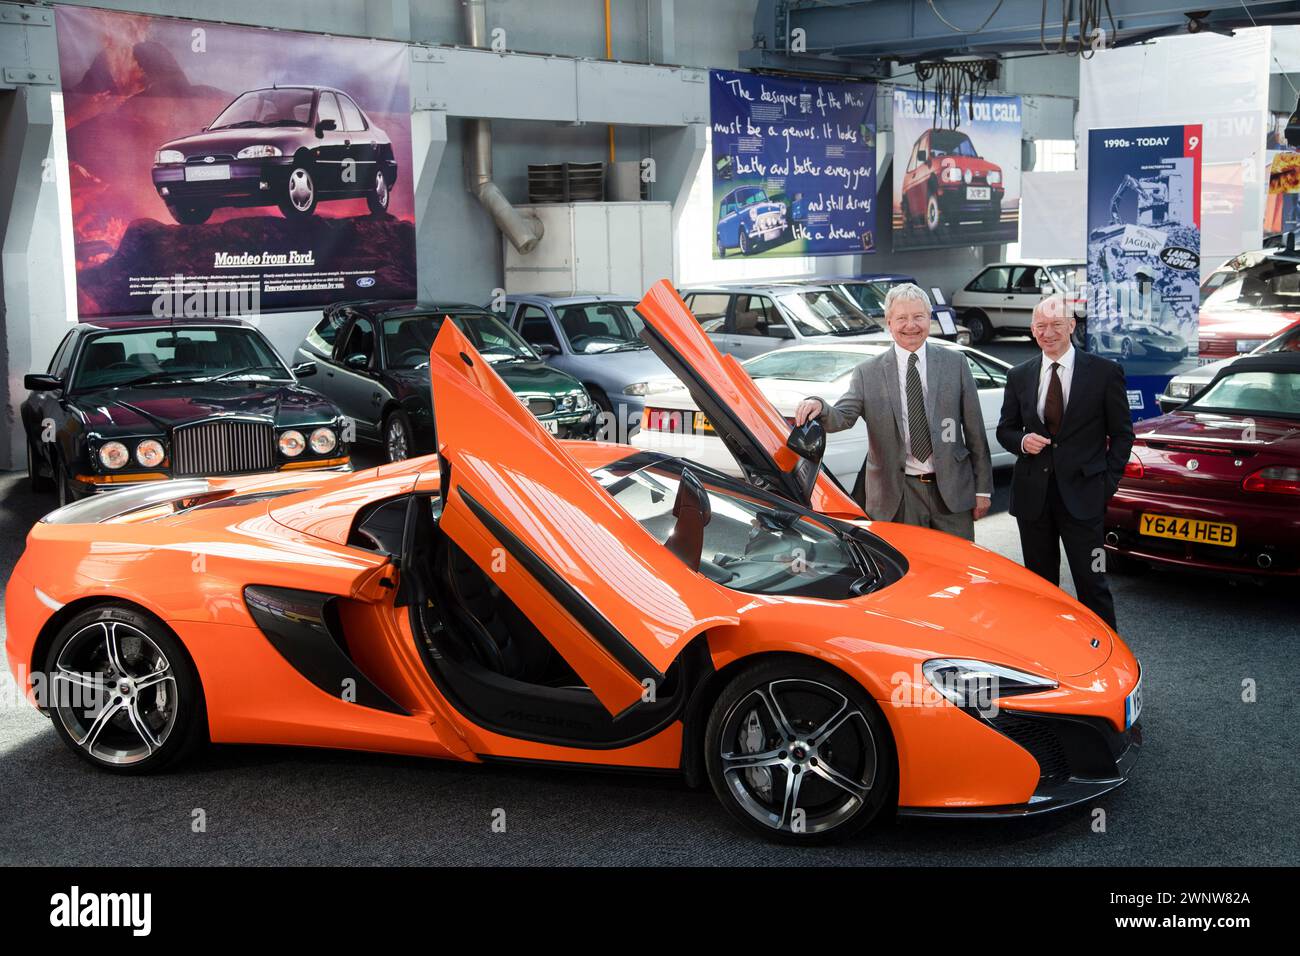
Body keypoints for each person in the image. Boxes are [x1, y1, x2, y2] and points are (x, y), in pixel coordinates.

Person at [794, 283, 992, 540]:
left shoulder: (955, 363)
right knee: (909, 573)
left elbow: (975, 433)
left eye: (918, 317)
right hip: (897, 497)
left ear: (929, 319)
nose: (911, 325)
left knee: (960, 570)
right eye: (902, 318)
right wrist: (819, 405)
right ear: (889, 323)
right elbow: (842, 417)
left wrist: (983, 490)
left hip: (952, 493)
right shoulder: (868, 372)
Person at [996, 294, 1135, 630]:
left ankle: (1108, 660)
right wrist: (1021, 441)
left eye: (1056, 325)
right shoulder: (1019, 375)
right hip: (1033, 499)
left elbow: (1122, 435)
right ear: (1032, 330)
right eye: (1040, 326)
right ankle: (1047, 655)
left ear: (1071, 326)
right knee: (1040, 588)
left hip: (1084, 497)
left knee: (1093, 585)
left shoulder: (1104, 373)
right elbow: (1006, 429)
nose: (1048, 332)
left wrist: (1106, 484)